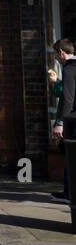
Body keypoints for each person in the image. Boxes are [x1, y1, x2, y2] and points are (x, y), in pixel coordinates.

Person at [51, 39, 76, 203]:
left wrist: (60, 123)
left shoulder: (69, 68)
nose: (55, 58)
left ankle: (69, 194)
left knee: (70, 155)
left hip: (72, 120)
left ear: (61, 52)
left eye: (55, 55)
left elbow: (68, 98)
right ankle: (68, 192)